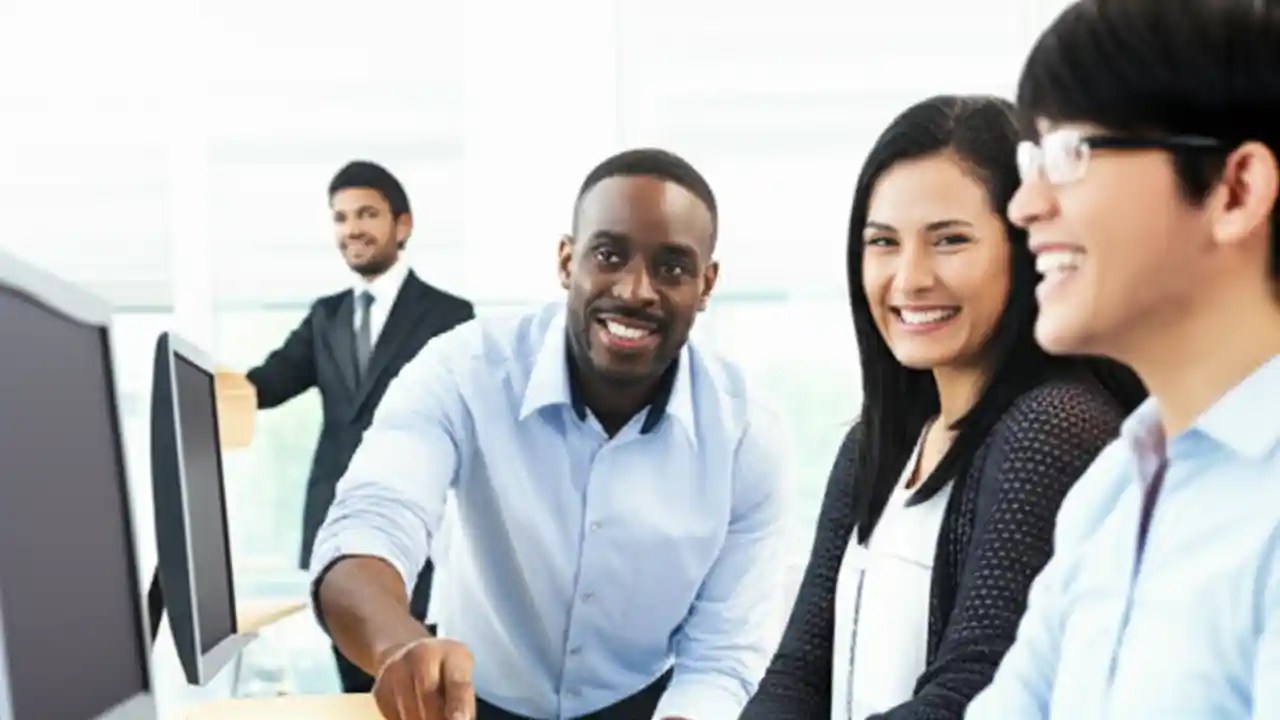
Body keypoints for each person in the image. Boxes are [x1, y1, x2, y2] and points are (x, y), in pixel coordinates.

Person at [310, 148, 791, 720]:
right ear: (568, 261)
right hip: (471, 705)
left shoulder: (748, 432)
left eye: (672, 267)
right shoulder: (462, 369)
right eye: (608, 254)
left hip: (651, 707)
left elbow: (723, 654)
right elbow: (368, 523)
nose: (636, 290)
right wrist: (399, 646)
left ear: (706, 284)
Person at [740, 95, 1145, 720]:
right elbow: (798, 673)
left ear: (1026, 245)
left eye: (950, 240)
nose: (910, 278)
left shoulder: (1054, 427)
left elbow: (972, 695)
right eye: (883, 242)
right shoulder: (879, 443)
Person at [966, 1, 1280, 718]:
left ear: (1235, 190)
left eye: (1070, 153)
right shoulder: (1114, 487)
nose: (1024, 206)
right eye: (1030, 160)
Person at [232, 160, 475, 692]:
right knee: (356, 686)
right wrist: (196, 389)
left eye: (366, 214)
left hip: (424, 529)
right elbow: (266, 385)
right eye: (340, 218)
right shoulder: (327, 317)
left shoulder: (449, 316)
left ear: (402, 225)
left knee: (420, 681)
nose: (352, 230)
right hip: (339, 531)